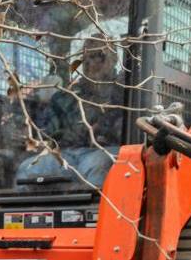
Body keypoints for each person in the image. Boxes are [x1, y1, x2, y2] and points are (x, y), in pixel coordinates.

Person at [16, 35, 124, 187]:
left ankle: (95, 204)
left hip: (106, 150)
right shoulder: (68, 97)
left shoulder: (124, 92)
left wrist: (104, 128)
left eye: (98, 56)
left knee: (95, 166)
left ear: (114, 59)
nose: (91, 63)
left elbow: (127, 131)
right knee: (27, 169)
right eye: (85, 58)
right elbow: (48, 131)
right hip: (68, 154)